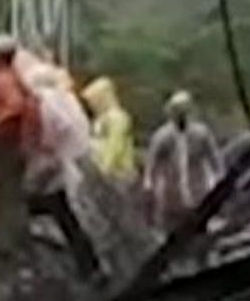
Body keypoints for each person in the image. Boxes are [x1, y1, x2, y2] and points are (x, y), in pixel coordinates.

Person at [24, 66, 104, 281]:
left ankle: (81, 266)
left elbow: (58, 128)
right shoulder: (61, 98)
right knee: (65, 217)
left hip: (47, 168)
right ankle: (91, 268)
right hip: (57, 169)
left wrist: (47, 146)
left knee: (21, 209)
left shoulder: (45, 101)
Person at [0, 35, 42, 253]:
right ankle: (11, 241)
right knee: (5, 192)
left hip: (5, 145)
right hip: (7, 144)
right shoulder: (12, 77)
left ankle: (5, 245)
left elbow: (16, 107)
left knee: (4, 194)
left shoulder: (5, 80)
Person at [143, 91, 225, 232]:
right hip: (172, 195)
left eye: (184, 110)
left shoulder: (201, 134)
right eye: (177, 111)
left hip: (198, 192)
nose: (181, 115)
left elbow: (214, 159)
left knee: (200, 228)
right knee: (172, 229)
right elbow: (152, 163)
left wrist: (219, 179)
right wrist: (149, 183)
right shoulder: (163, 136)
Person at [82, 77, 138, 183]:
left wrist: (105, 167)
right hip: (102, 173)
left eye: (93, 101)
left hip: (117, 175)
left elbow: (115, 145)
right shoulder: (101, 118)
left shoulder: (118, 118)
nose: (91, 105)